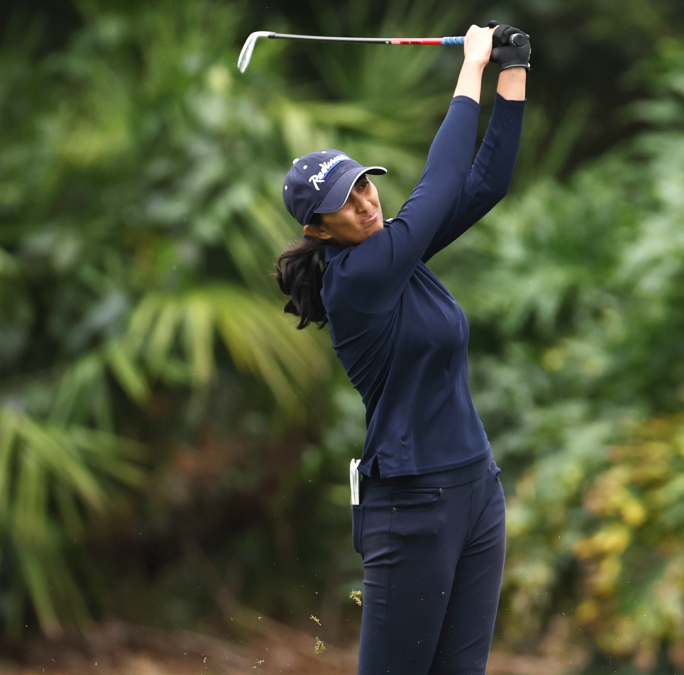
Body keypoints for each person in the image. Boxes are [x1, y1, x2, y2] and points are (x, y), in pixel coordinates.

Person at [272, 22, 529, 675]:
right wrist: (470, 68)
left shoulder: (396, 253)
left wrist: (513, 72)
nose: (365, 202)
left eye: (363, 184)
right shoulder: (357, 279)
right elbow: (441, 184)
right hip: (413, 506)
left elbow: (482, 187)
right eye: (344, 202)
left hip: (476, 488)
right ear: (316, 229)